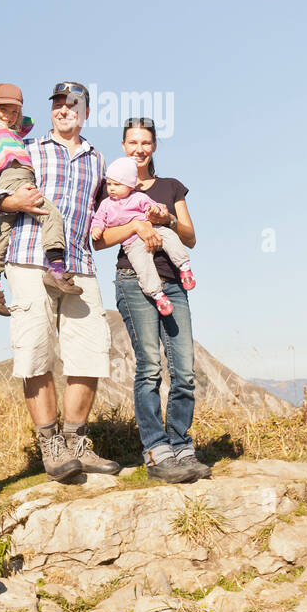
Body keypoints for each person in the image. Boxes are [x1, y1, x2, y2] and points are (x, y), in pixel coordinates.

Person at [0, 81, 119, 483]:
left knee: (90, 352)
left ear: (85, 112)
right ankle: (51, 448)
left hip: (79, 266)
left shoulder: (98, 160)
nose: (64, 110)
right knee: (35, 352)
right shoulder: (30, 149)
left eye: (72, 104)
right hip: (27, 261)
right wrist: (13, 202)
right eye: (58, 104)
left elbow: (99, 218)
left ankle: (76, 443)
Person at [92, 118, 210, 483]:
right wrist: (136, 226)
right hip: (134, 280)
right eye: (132, 142)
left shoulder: (170, 187)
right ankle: (156, 450)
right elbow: (98, 240)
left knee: (185, 371)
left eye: (146, 142)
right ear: (124, 145)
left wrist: (166, 219)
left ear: (154, 146)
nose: (139, 149)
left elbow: (190, 237)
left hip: (174, 281)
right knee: (149, 369)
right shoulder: (110, 186)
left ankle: (181, 445)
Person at [0, 82, 81, 316]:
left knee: (3, 234)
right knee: (51, 215)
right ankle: (57, 270)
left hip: (14, 178)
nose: (10, 115)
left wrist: (14, 113)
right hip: (15, 176)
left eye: (15, 111)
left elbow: (28, 122)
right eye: (5, 109)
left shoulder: (13, 130)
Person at [91, 156, 195, 316]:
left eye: (117, 184)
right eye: (110, 184)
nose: (111, 188)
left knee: (169, 236)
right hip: (132, 242)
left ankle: (184, 266)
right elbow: (98, 219)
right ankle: (157, 294)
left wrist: (156, 211)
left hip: (153, 229)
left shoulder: (138, 197)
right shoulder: (106, 204)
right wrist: (96, 228)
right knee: (142, 266)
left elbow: (154, 206)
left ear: (130, 185)